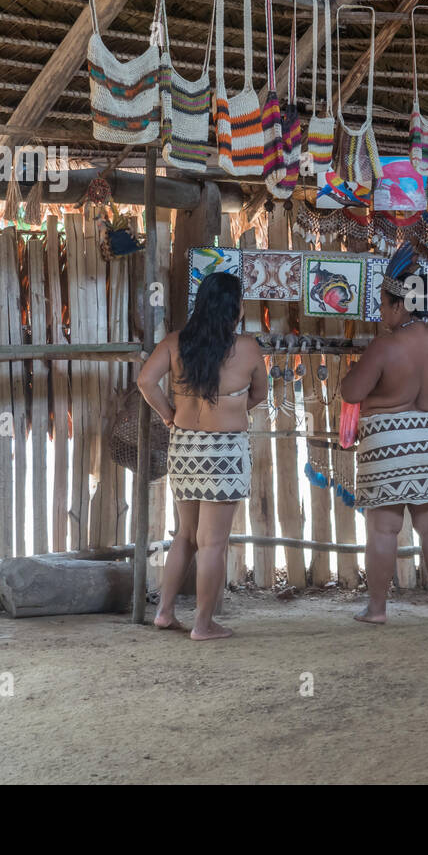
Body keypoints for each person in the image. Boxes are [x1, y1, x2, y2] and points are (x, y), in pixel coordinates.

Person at [137, 272, 267, 640]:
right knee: (213, 542)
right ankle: (203, 624)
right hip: (224, 451)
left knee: (185, 536)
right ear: (235, 307)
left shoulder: (176, 343)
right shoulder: (248, 348)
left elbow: (145, 381)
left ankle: (164, 612)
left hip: (184, 446)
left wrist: (167, 413)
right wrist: (234, 407)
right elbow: (260, 394)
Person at [340, 242, 428, 624]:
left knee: (384, 529)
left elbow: (352, 393)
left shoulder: (384, 346)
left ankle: (377, 609)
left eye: (383, 303)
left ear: (401, 304)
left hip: (388, 444)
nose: (380, 312)